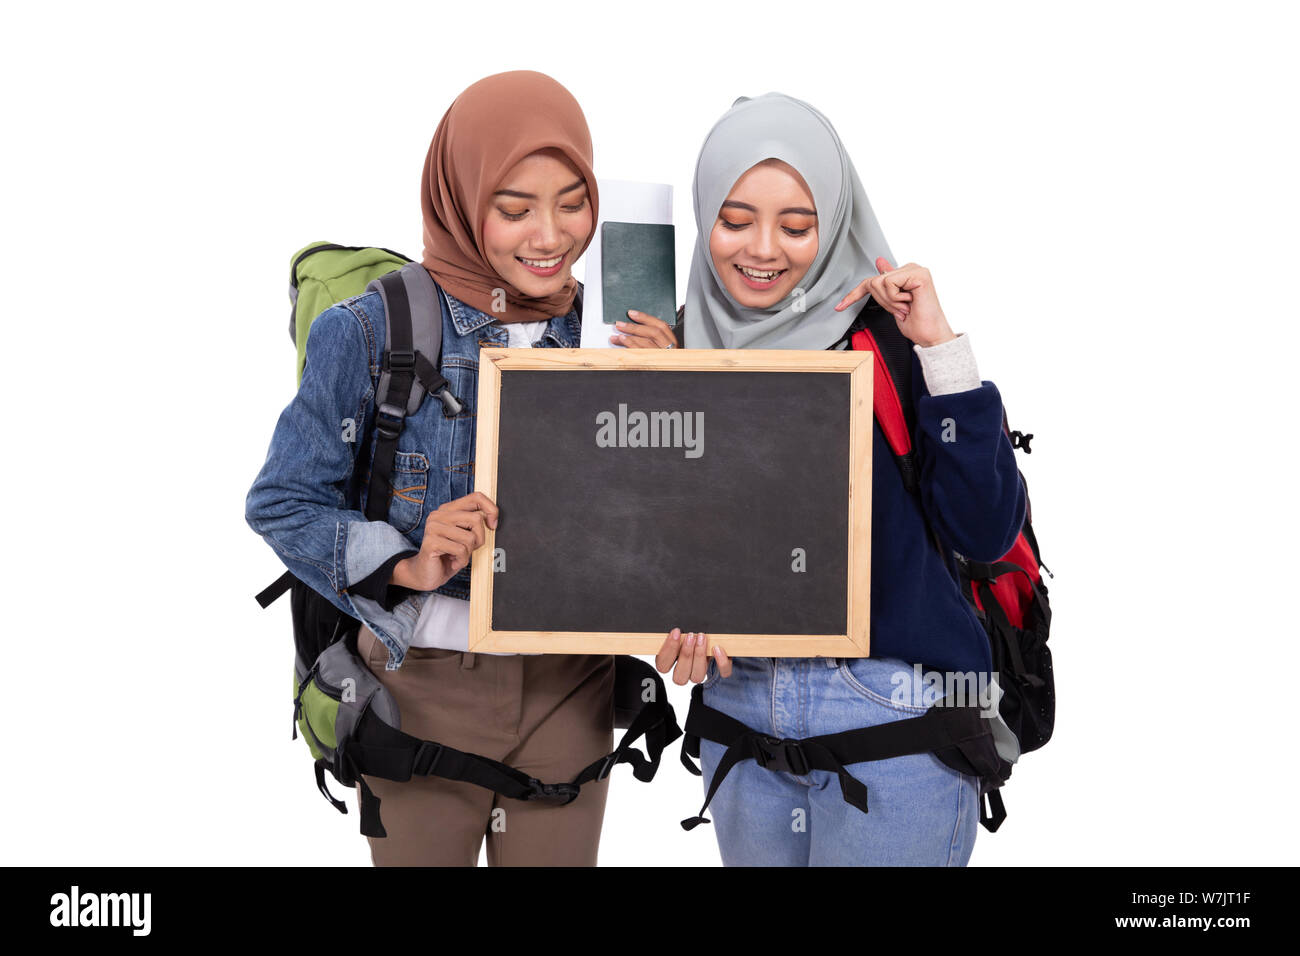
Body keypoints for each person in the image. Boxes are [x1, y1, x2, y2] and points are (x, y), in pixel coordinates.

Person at [622, 93, 1026, 866]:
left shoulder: (887, 336)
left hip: (893, 717)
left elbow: (983, 528)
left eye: (797, 226)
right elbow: (659, 551)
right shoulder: (678, 342)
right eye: (735, 219)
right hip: (740, 716)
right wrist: (672, 624)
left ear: (834, 221)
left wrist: (938, 347)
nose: (763, 249)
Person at [245, 71, 615, 866]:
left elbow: (686, 506)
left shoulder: (614, 324)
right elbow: (280, 502)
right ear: (460, 194)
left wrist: (670, 377)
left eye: (573, 202)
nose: (550, 236)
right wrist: (404, 557)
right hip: (420, 683)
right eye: (514, 209)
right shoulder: (374, 328)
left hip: (571, 686)